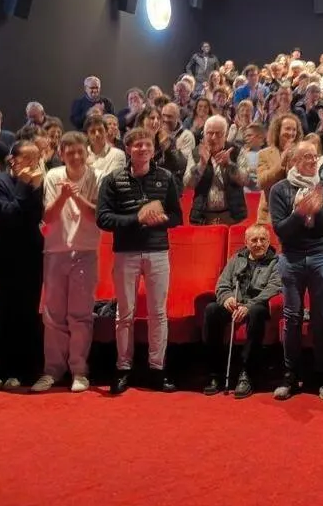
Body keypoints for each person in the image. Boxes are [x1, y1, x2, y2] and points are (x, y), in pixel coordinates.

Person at [97, 127, 183, 395]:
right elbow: (103, 218)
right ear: (128, 149)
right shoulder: (113, 180)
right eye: (137, 145)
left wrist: (160, 219)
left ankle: (157, 368)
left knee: (158, 313)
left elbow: (177, 217)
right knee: (125, 314)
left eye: (147, 145)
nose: (143, 149)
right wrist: (137, 218)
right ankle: (123, 368)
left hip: (157, 251)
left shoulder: (166, 177)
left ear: (153, 149)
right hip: (126, 253)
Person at [269, 141, 323, 401]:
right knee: (292, 317)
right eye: (307, 157)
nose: (313, 161)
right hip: (291, 257)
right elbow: (280, 230)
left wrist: (318, 211)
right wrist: (301, 213)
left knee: (322, 316)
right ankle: (290, 375)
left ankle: (322, 375)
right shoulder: (279, 190)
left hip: (321, 256)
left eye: (315, 157)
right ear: (294, 161)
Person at [31, 132, 100, 394]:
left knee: (80, 315)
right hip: (55, 251)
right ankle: (52, 370)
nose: (75, 156)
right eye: (69, 152)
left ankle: (79, 371)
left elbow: (95, 215)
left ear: (86, 152)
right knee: (53, 316)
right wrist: (62, 196)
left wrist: (74, 196)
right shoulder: (52, 176)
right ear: (61, 153)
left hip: (85, 249)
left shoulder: (95, 176)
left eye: (79, 151)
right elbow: (48, 217)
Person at [0, 140, 45, 390]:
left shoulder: (36, 184)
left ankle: (24, 371)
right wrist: (23, 184)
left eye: (36, 160)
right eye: (27, 160)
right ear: (13, 160)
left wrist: (34, 187)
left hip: (29, 258)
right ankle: (2, 369)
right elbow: (8, 214)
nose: (32, 166)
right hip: (0, 258)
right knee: (1, 316)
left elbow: (34, 218)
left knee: (26, 316)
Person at [202, 223, 281, 399]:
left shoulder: (276, 262)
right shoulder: (236, 258)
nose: (259, 243)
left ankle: (247, 373)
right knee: (211, 309)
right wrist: (227, 298)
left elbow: (274, 288)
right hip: (234, 303)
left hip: (257, 306)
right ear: (246, 242)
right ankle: (215, 373)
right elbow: (222, 284)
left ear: (269, 242)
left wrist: (249, 306)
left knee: (256, 312)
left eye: (263, 240)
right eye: (254, 240)